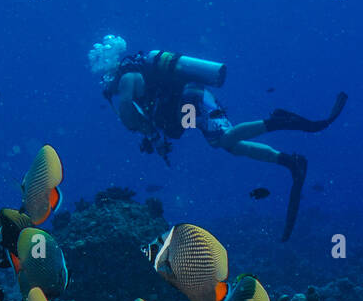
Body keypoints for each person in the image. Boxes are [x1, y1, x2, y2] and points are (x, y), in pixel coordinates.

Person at [89, 35, 346, 241]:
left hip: (192, 101)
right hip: (194, 97)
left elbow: (129, 115)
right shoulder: (137, 74)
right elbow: (147, 117)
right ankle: (290, 161)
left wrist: (146, 133)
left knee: (222, 140)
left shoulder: (125, 81)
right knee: (228, 145)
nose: (105, 87)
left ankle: (279, 121)